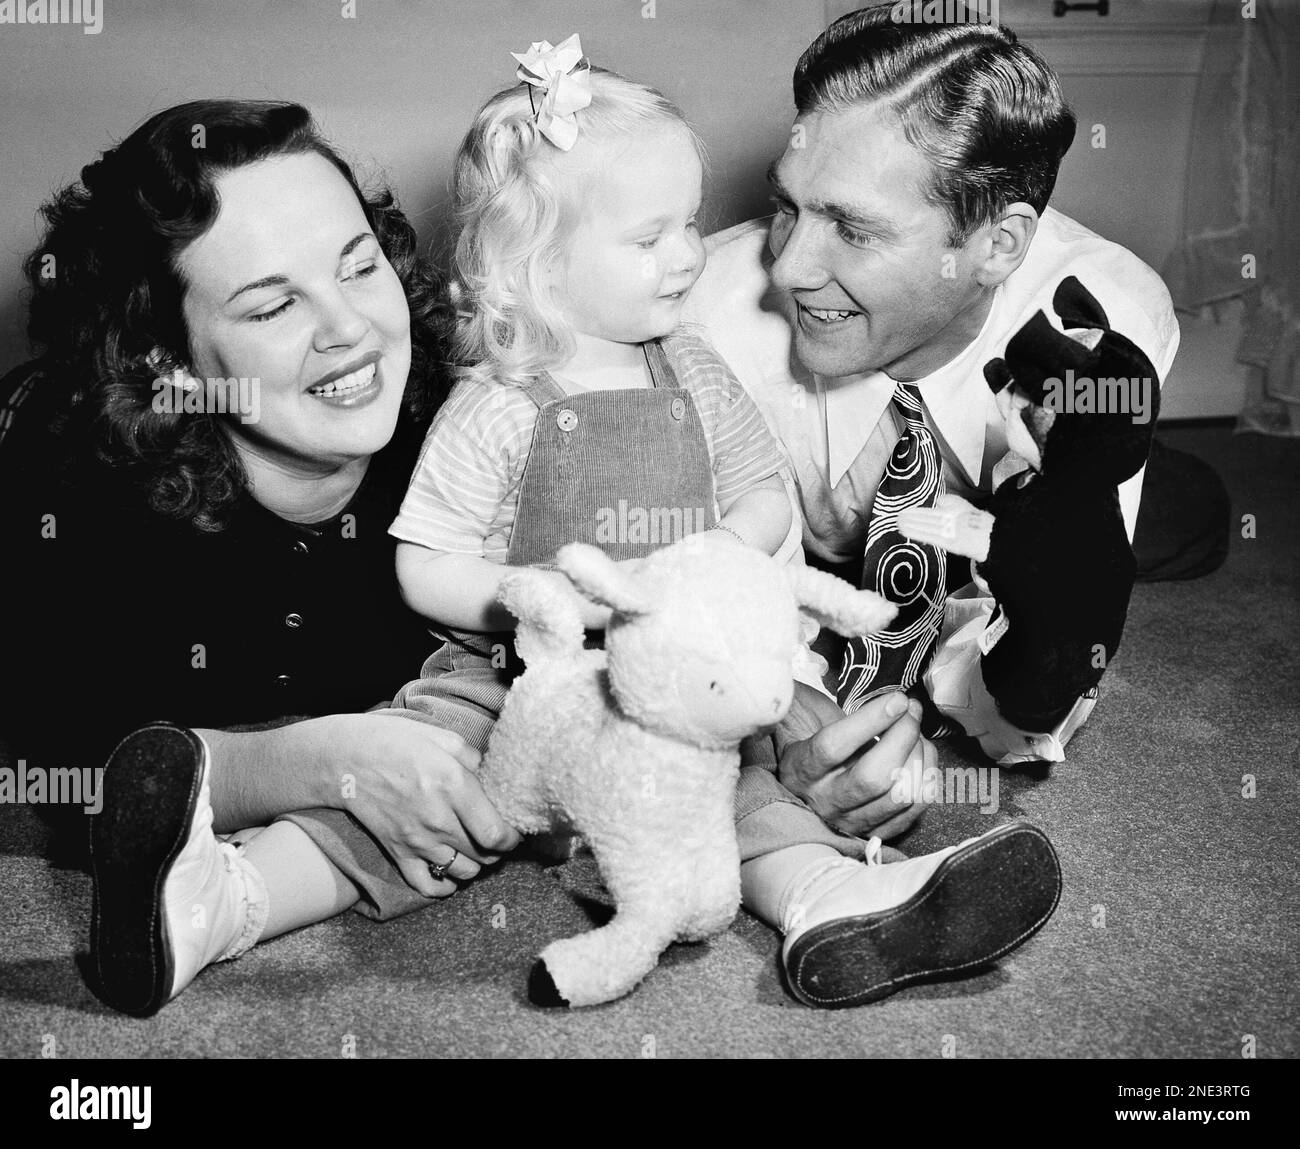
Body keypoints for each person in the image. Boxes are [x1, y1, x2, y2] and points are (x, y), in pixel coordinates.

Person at [381, 37, 1064, 1010]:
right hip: (513, 676)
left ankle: (830, 899)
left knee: (733, 773)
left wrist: (715, 565)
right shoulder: (499, 403)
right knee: (412, 781)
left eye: (690, 224)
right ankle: (231, 892)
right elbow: (423, 564)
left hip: (669, 672)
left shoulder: (690, 367)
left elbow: (760, 494)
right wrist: (531, 596)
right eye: (649, 236)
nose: (691, 256)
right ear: (536, 262)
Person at [679, 4, 1181, 992]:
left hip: (982, 522)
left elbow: (1042, 674)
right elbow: (694, 580)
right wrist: (796, 719)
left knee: (1154, 532)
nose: (787, 266)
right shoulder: (706, 308)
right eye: (790, 204)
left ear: (995, 246)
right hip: (816, 554)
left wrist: (967, 694)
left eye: (852, 229)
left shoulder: (1097, 333)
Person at [0, 99, 523, 1016]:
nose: (349, 328)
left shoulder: (475, 435)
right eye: (274, 305)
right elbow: (87, 759)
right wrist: (319, 762)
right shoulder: (70, 484)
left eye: (359, 266)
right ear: (173, 362)